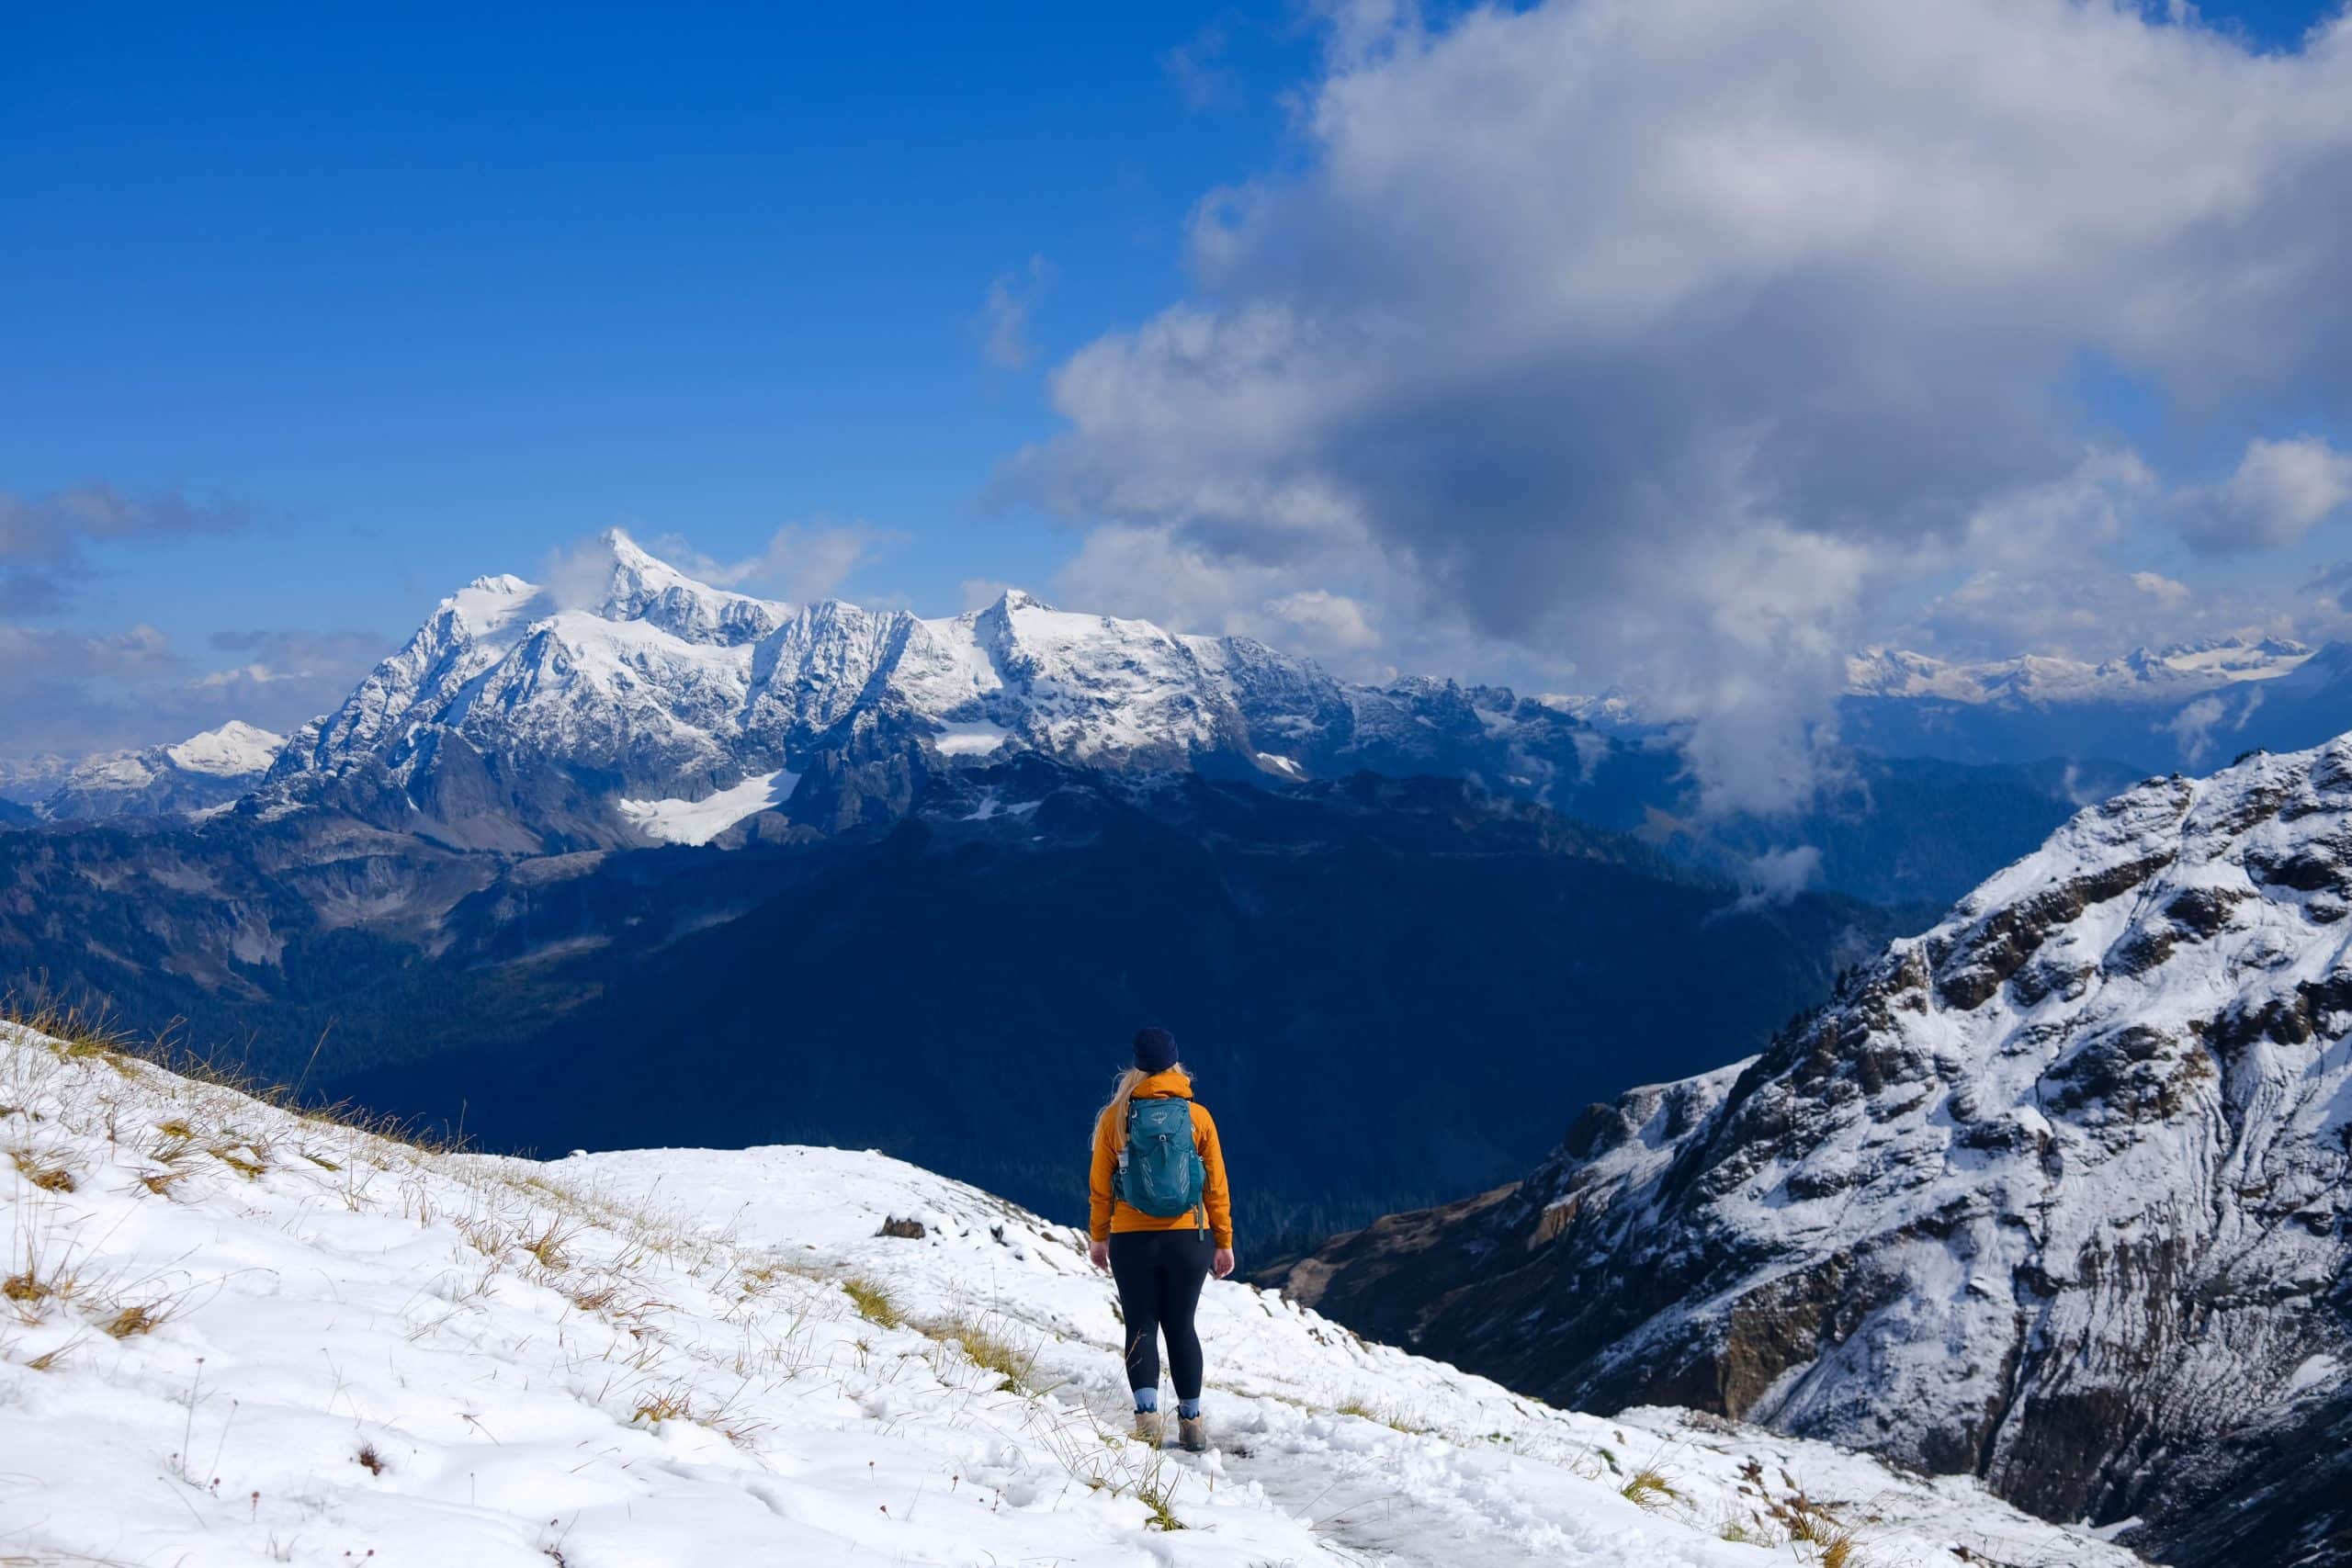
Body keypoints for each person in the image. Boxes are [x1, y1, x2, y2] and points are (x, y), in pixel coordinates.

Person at [1088, 1026, 1235, 1452]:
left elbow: (1100, 1187)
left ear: (1135, 1066)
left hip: (1132, 1239)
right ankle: (1191, 1422)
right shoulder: (1198, 1117)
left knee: (1140, 1325)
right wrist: (1223, 1241)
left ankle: (1147, 1416)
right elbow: (1216, 1187)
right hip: (1189, 1237)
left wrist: (1100, 1238)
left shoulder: (1116, 1117)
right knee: (1181, 1326)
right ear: (1175, 1064)